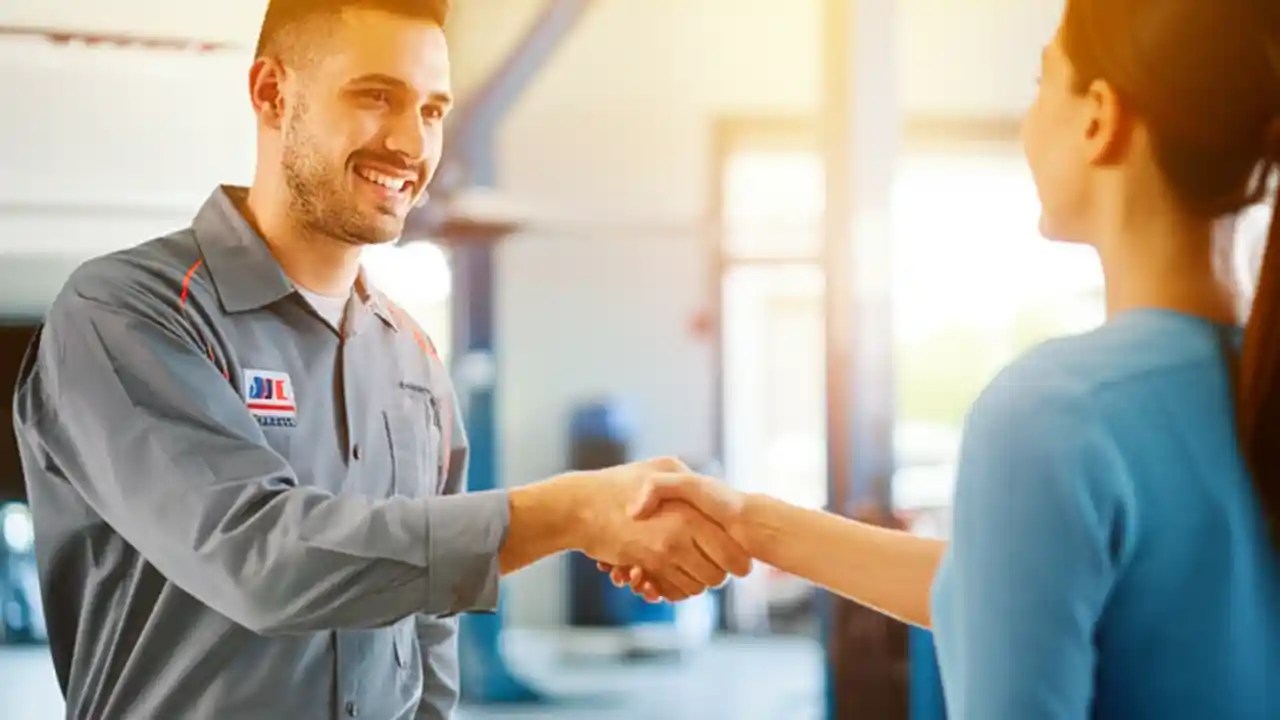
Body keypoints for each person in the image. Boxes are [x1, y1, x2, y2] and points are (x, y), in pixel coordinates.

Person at [10, 1, 749, 718]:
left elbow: (427, 633)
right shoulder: (126, 314)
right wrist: (571, 512)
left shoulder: (413, 361)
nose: (410, 143)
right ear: (271, 93)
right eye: (376, 97)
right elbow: (259, 556)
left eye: (432, 110)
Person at [608, 0, 1280, 717]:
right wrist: (751, 524)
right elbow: (1010, 591)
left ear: (1098, 119)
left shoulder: (1055, 412)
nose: (1028, 121)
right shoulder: (1235, 387)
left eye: (1041, 82)